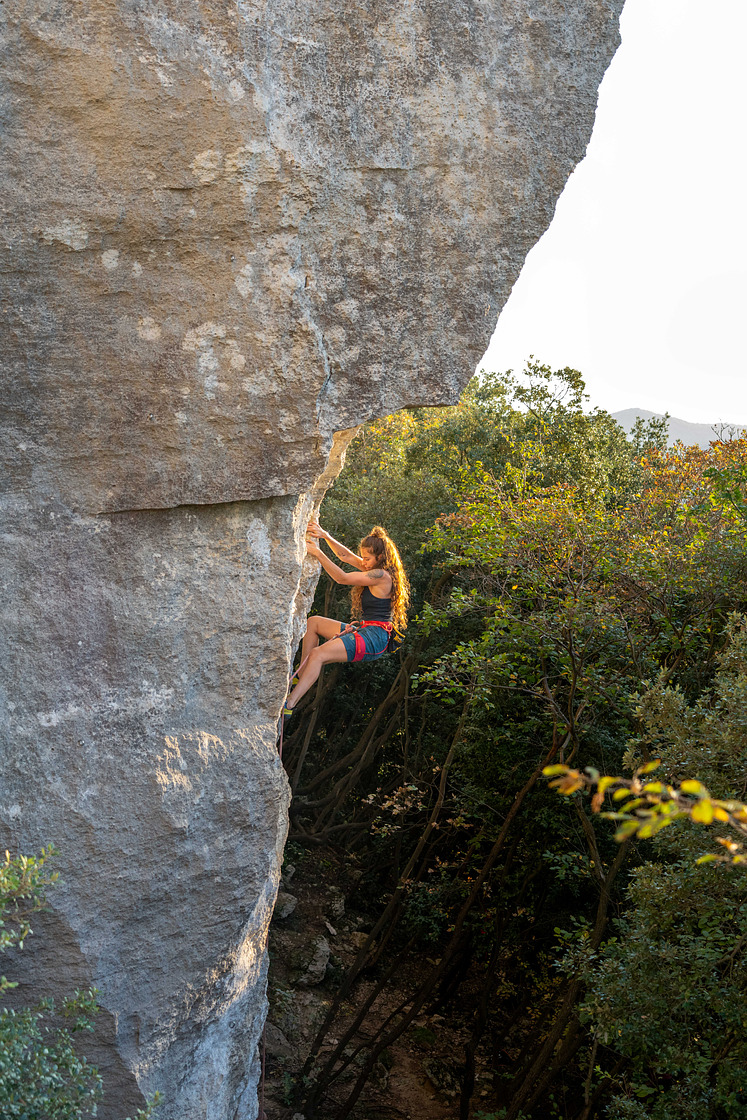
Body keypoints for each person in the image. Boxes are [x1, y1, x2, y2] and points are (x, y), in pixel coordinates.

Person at [282, 521, 410, 720]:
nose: (363, 562)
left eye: (367, 558)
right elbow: (346, 556)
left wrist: (318, 553)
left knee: (318, 654)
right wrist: (325, 535)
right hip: (366, 631)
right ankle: (301, 675)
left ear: (381, 557)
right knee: (313, 622)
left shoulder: (381, 575)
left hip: (374, 638)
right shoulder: (373, 567)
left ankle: (289, 704)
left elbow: (341, 578)